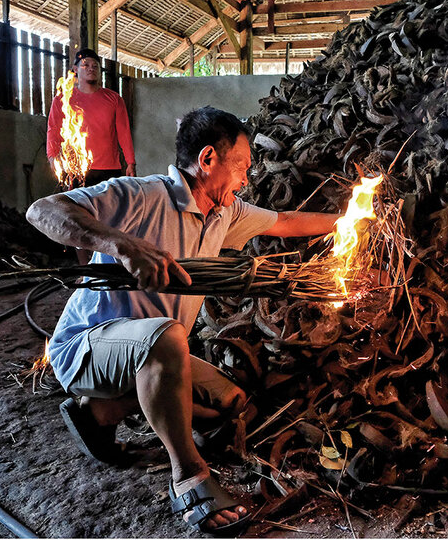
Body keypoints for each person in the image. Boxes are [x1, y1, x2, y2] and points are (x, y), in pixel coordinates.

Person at [26, 107, 339, 534]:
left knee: (230, 404)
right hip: (87, 348)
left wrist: (354, 218)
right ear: (208, 159)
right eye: (241, 166)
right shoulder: (142, 196)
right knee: (169, 336)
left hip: (155, 351)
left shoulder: (226, 212)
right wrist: (124, 245)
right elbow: (43, 210)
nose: (246, 178)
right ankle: (188, 478)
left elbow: (283, 221)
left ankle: (100, 413)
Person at [47, 48, 136, 264]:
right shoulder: (64, 98)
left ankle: (108, 263)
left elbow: (123, 131)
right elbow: (53, 130)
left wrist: (131, 162)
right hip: (78, 169)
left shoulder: (113, 99)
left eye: (95, 65)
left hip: (109, 167)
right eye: (85, 64)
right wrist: (52, 157)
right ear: (75, 70)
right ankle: (84, 267)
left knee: (110, 218)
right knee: (80, 217)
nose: (91, 68)